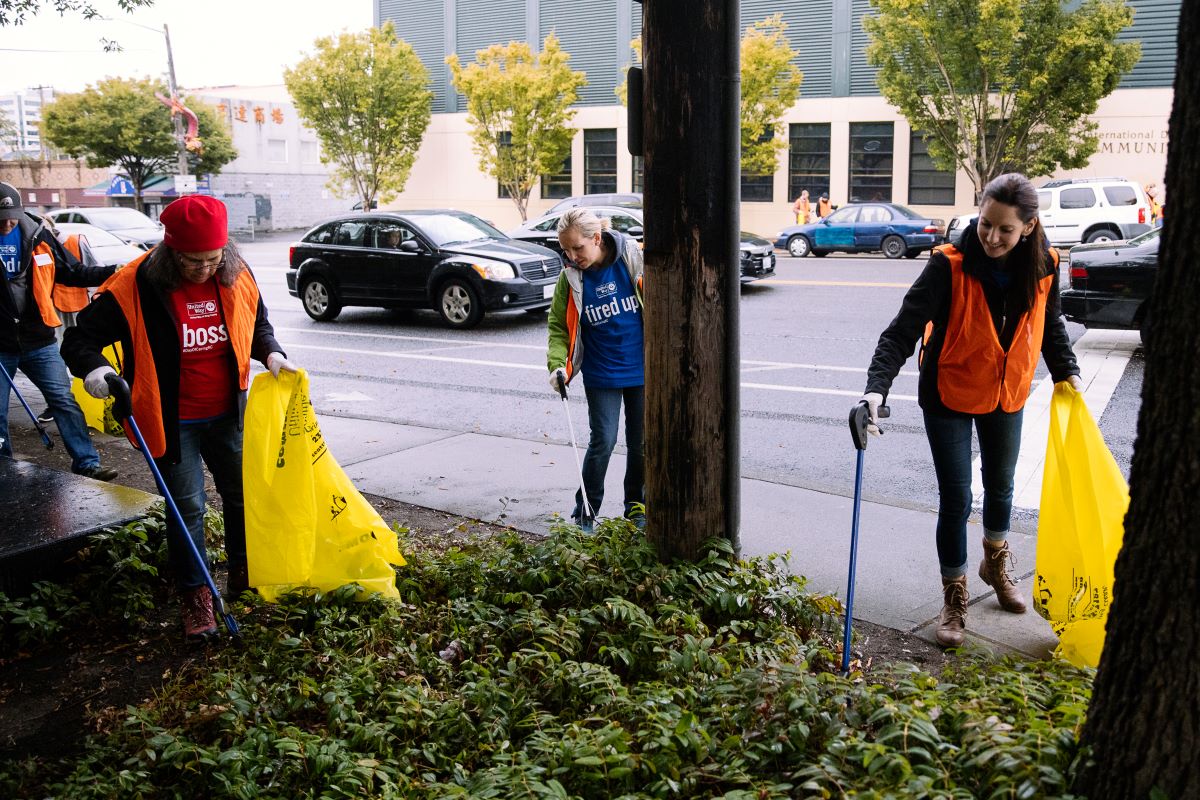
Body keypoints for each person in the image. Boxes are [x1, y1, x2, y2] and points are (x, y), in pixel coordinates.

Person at [859, 173, 1082, 648]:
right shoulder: (949, 264)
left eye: (1005, 229)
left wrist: (1069, 373)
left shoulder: (1045, 264)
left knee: (1002, 487)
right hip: (949, 394)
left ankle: (995, 564)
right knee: (956, 500)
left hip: (1008, 392)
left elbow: (1051, 325)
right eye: (986, 224)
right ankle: (954, 596)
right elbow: (900, 331)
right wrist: (875, 390)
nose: (992, 237)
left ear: (1028, 226)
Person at [62, 195, 298, 641]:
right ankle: (197, 597)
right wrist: (95, 370)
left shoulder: (236, 272)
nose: (204, 269)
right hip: (171, 420)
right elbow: (78, 341)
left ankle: (246, 577)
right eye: (193, 262)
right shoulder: (134, 284)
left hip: (230, 413)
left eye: (212, 260)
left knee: (244, 497)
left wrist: (272, 354)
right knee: (187, 507)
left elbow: (257, 324)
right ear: (171, 252)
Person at [0, 182, 118, 481]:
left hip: (39, 339)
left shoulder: (37, 235)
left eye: (12, 216)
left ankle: (87, 462)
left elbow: (73, 272)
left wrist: (114, 271)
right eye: (1, 219)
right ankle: (6, 471)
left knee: (63, 400)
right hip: (0, 343)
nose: (7, 223)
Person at [546, 208, 645, 533]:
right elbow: (559, 327)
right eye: (566, 251)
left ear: (597, 239)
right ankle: (586, 512)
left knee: (641, 443)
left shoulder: (631, 258)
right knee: (603, 440)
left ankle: (638, 509)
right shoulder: (571, 278)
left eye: (578, 248)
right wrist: (558, 365)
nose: (573, 256)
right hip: (601, 373)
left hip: (643, 369)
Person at [36, 214, 99, 424]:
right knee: (57, 355)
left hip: (77, 306)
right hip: (51, 307)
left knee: (77, 353)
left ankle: (85, 397)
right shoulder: (33, 246)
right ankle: (58, 402)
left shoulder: (74, 241)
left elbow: (89, 270)